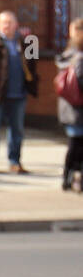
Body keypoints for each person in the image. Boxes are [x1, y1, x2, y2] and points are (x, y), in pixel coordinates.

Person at [0, 10, 39, 174]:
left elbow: (33, 64)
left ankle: (15, 161)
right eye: (4, 22)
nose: (7, 26)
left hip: (18, 95)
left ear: (16, 24)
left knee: (17, 130)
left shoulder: (26, 42)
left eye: (10, 22)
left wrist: (32, 85)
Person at [56, 17, 83, 191]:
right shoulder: (79, 57)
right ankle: (70, 176)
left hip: (70, 108)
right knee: (76, 145)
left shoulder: (69, 54)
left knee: (75, 145)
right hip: (77, 109)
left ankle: (69, 176)